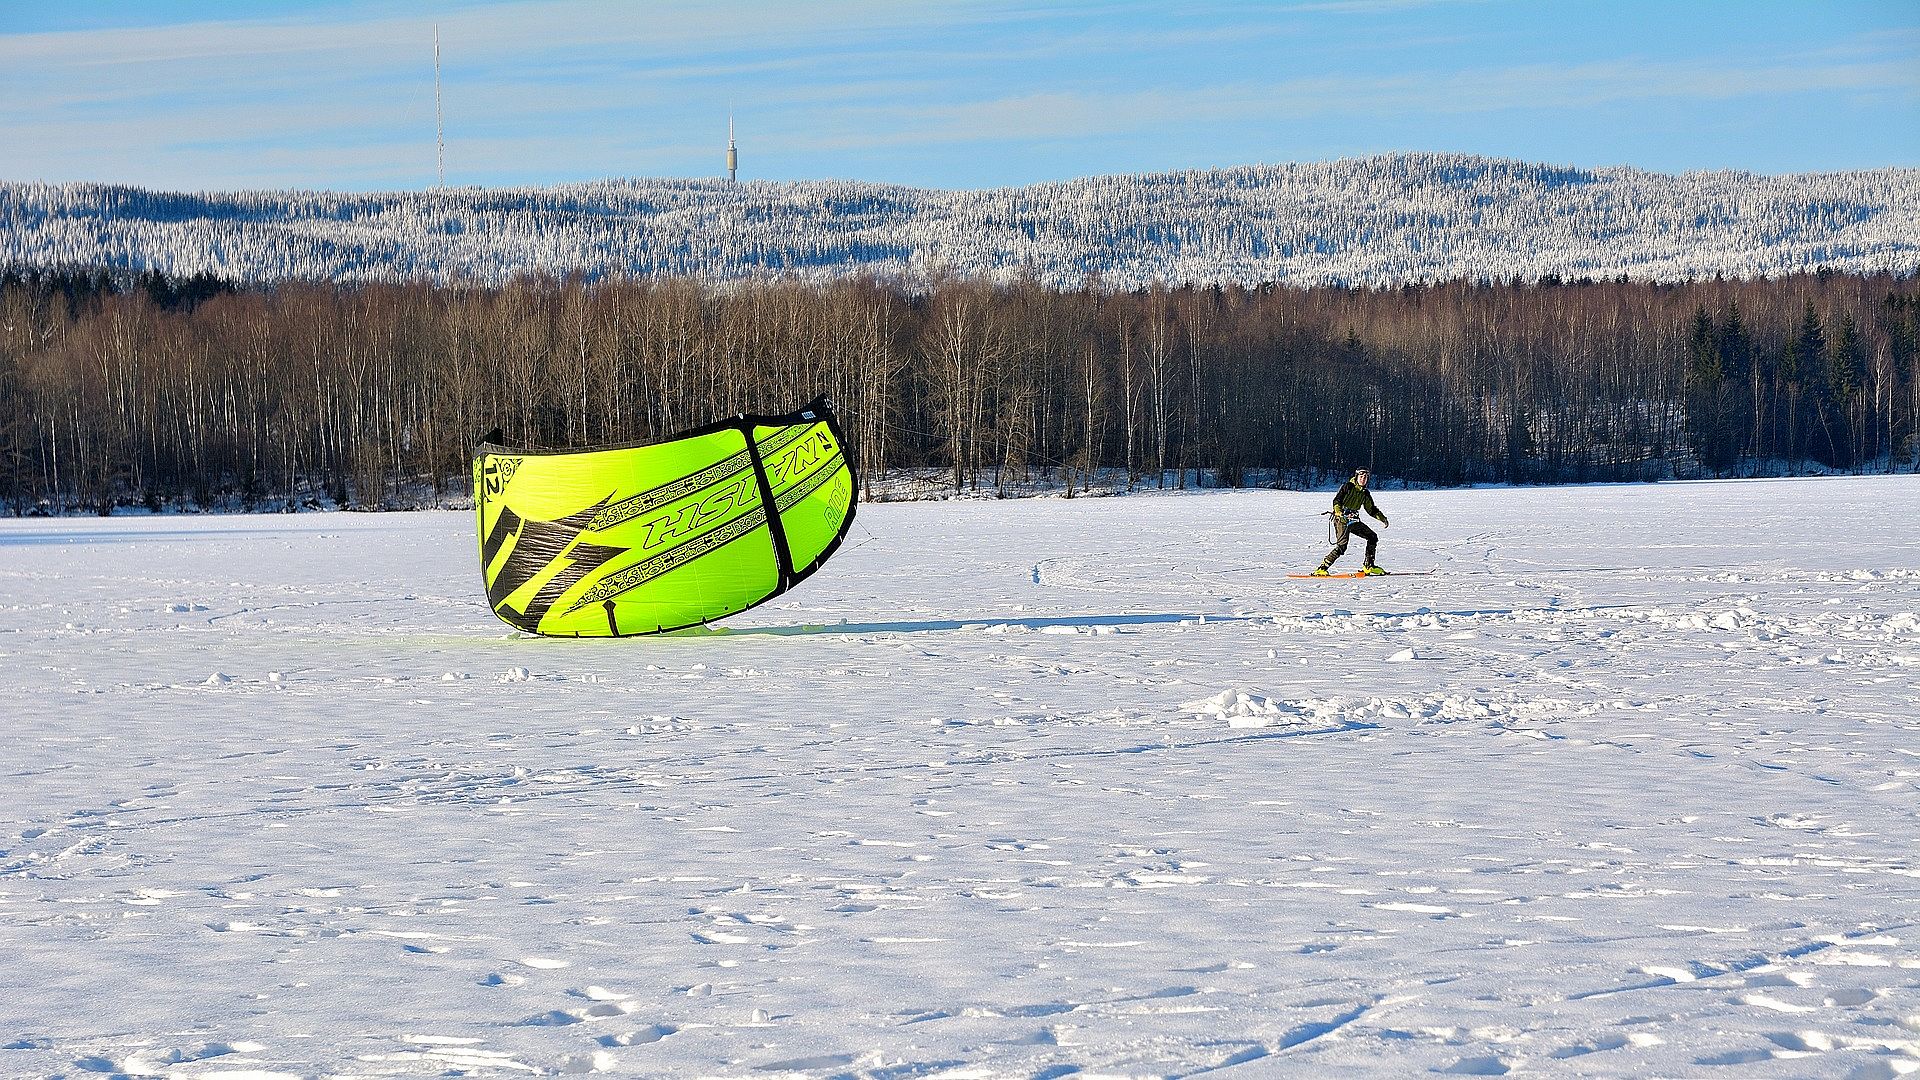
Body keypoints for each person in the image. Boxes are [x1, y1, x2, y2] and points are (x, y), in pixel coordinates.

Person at [1312, 467, 1389, 576]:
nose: (1363, 479)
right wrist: (1338, 511)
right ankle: (1322, 568)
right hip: (1341, 521)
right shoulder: (1347, 487)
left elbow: (1371, 509)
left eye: (1366, 477)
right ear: (1356, 477)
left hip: (1354, 521)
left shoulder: (1365, 493)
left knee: (1372, 537)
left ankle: (1369, 566)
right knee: (1342, 546)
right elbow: (1337, 500)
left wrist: (1382, 519)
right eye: (1361, 477)